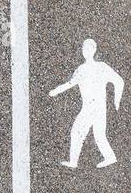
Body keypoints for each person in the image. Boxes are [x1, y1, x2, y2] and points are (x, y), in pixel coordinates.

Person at [48, 40, 124, 169]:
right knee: (95, 134)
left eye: (89, 48)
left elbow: (119, 81)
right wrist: (56, 91)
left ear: (94, 50)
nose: (86, 51)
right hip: (89, 107)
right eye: (84, 49)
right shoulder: (81, 69)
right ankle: (108, 157)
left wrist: (117, 100)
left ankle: (75, 161)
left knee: (82, 132)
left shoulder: (102, 67)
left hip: (95, 108)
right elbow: (70, 84)